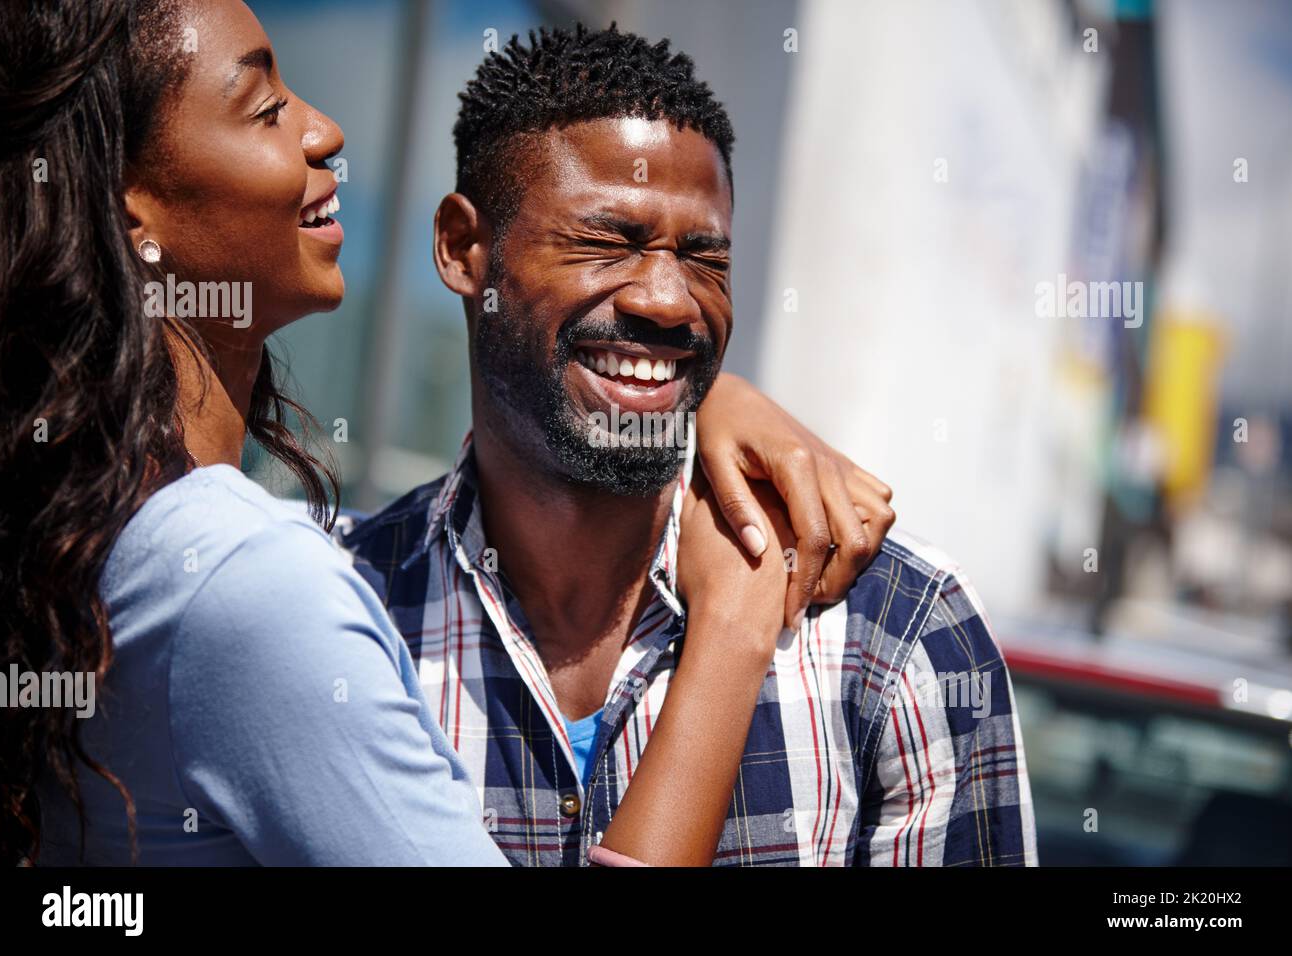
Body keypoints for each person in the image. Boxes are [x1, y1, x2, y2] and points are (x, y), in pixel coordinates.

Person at [0, 0, 891, 866]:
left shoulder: (101, 541)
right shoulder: (267, 585)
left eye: (703, 257)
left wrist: (703, 400)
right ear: (130, 209)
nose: (324, 131)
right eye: (265, 109)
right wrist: (730, 633)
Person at [341, 23, 1039, 866]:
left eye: (705, 256)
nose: (671, 302)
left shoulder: (893, 634)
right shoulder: (343, 617)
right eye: (608, 240)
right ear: (463, 249)